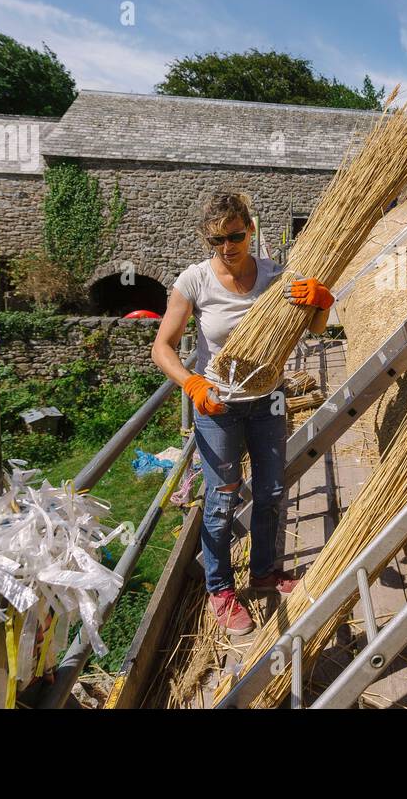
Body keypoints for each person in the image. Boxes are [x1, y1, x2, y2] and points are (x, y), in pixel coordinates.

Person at [152, 192, 334, 636]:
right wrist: (192, 382)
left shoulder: (275, 276)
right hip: (217, 407)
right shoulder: (193, 281)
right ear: (208, 239)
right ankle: (221, 590)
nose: (228, 246)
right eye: (217, 239)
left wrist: (322, 304)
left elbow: (311, 328)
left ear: (250, 229)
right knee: (221, 501)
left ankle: (265, 573)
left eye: (235, 236)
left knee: (272, 490)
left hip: (267, 402)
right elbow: (162, 347)